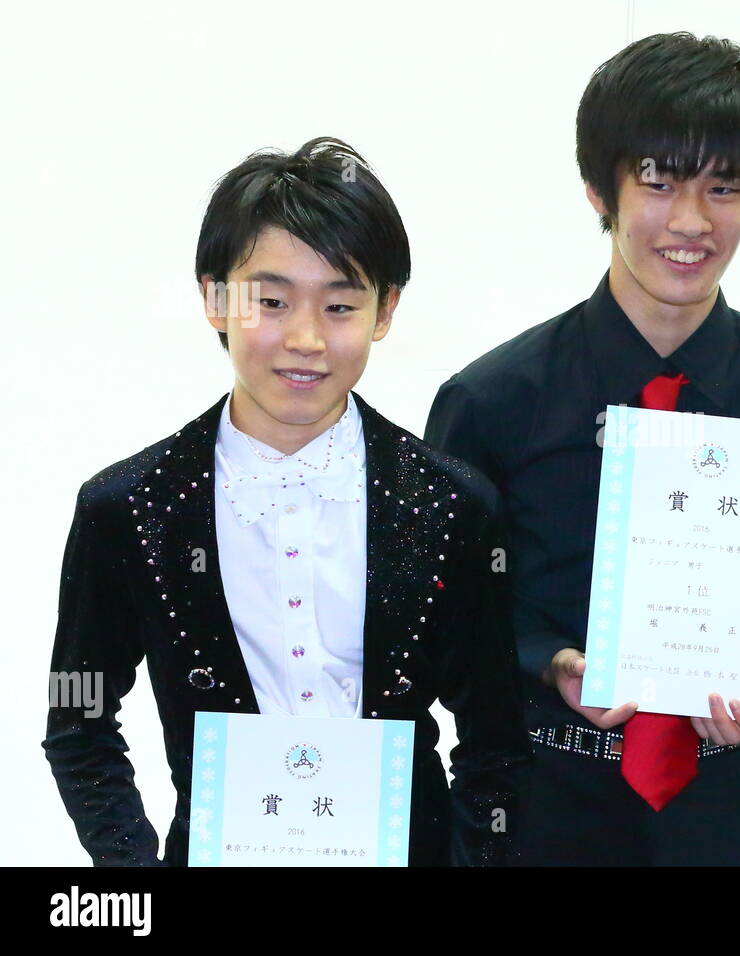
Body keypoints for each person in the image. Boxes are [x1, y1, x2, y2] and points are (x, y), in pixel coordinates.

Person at [425, 32, 740, 865]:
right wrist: (546, 662)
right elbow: (441, 616)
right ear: (600, 189)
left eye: (722, 187)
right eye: (657, 182)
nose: (690, 221)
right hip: (536, 807)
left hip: (727, 812)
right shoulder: (492, 402)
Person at [43, 137, 531, 866]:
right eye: (270, 301)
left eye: (340, 304)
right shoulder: (128, 509)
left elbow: (496, 739)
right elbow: (77, 717)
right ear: (214, 297)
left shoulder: (452, 504)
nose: (304, 338)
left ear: (385, 309)